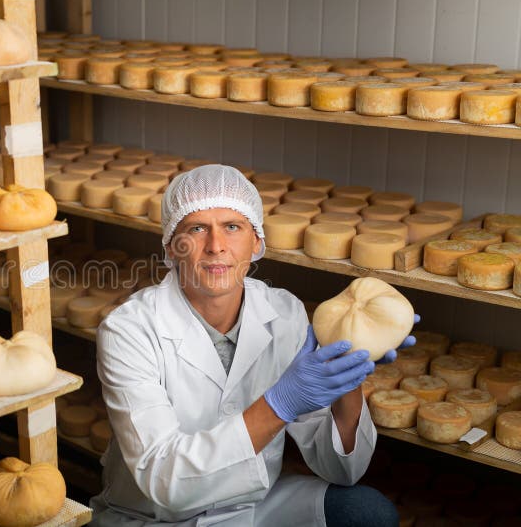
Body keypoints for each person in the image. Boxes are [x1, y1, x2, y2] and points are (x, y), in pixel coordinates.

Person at [90, 165, 416, 526]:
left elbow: (343, 470)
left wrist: (347, 380)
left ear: (257, 241)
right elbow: (165, 481)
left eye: (233, 227)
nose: (216, 246)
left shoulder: (284, 312)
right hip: (153, 517)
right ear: (171, 245)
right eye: (197, 228)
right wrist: (281, 404)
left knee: (366, 512)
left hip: (253, 508)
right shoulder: (129, 330)